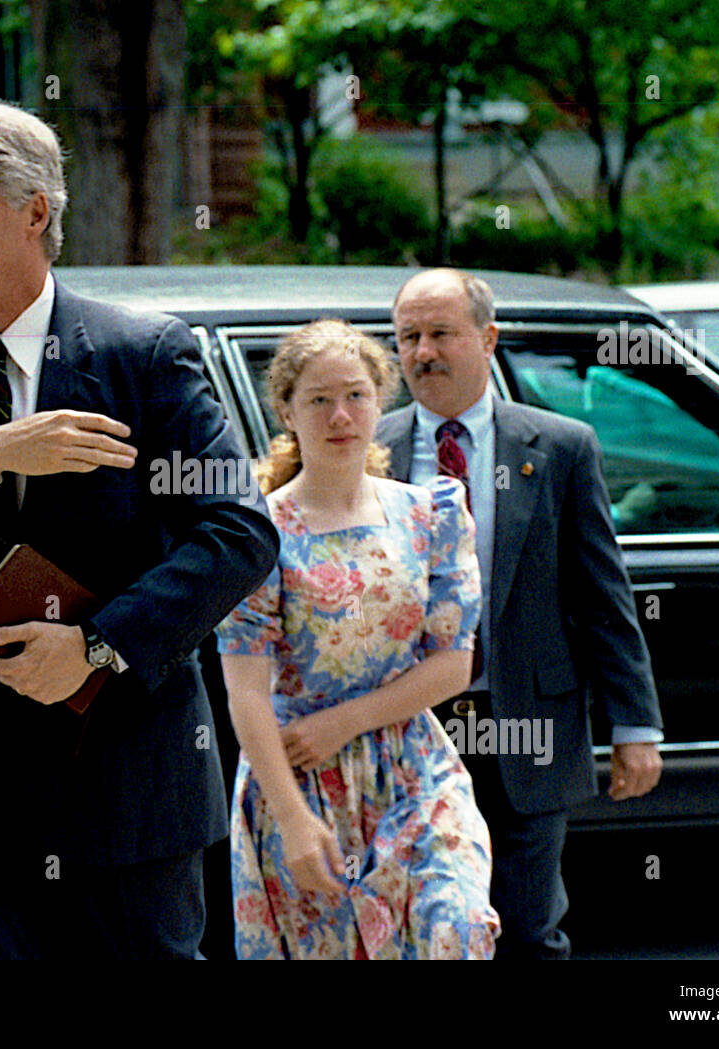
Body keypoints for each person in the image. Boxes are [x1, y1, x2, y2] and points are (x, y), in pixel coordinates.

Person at [0, 101, 278, 959]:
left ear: (35, 212)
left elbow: (238, 533)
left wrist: (97, 645)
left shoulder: (144, 354)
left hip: (122, 791)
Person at [377, 267, 664, 960]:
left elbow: (603, 596)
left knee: (528, 928)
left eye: (441, 333)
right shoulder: (371, 447)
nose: (422, 353)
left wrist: (634, 724)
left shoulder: (559, 446)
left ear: (488, 338)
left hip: (526, 727)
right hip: (406, 729)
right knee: (415, 927)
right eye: (408, 337)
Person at [218, 319, 500, 960]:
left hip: (415, 770)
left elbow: (454, 665)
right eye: (319, 400)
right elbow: (246, 693)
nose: (340, 415)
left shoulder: (431, 515)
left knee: (455, 931)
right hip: (298, 780)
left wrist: (347, 721)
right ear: (287, 410)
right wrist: (291, 818)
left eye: (355, 395)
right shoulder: (259, 533)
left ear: (380, 402)